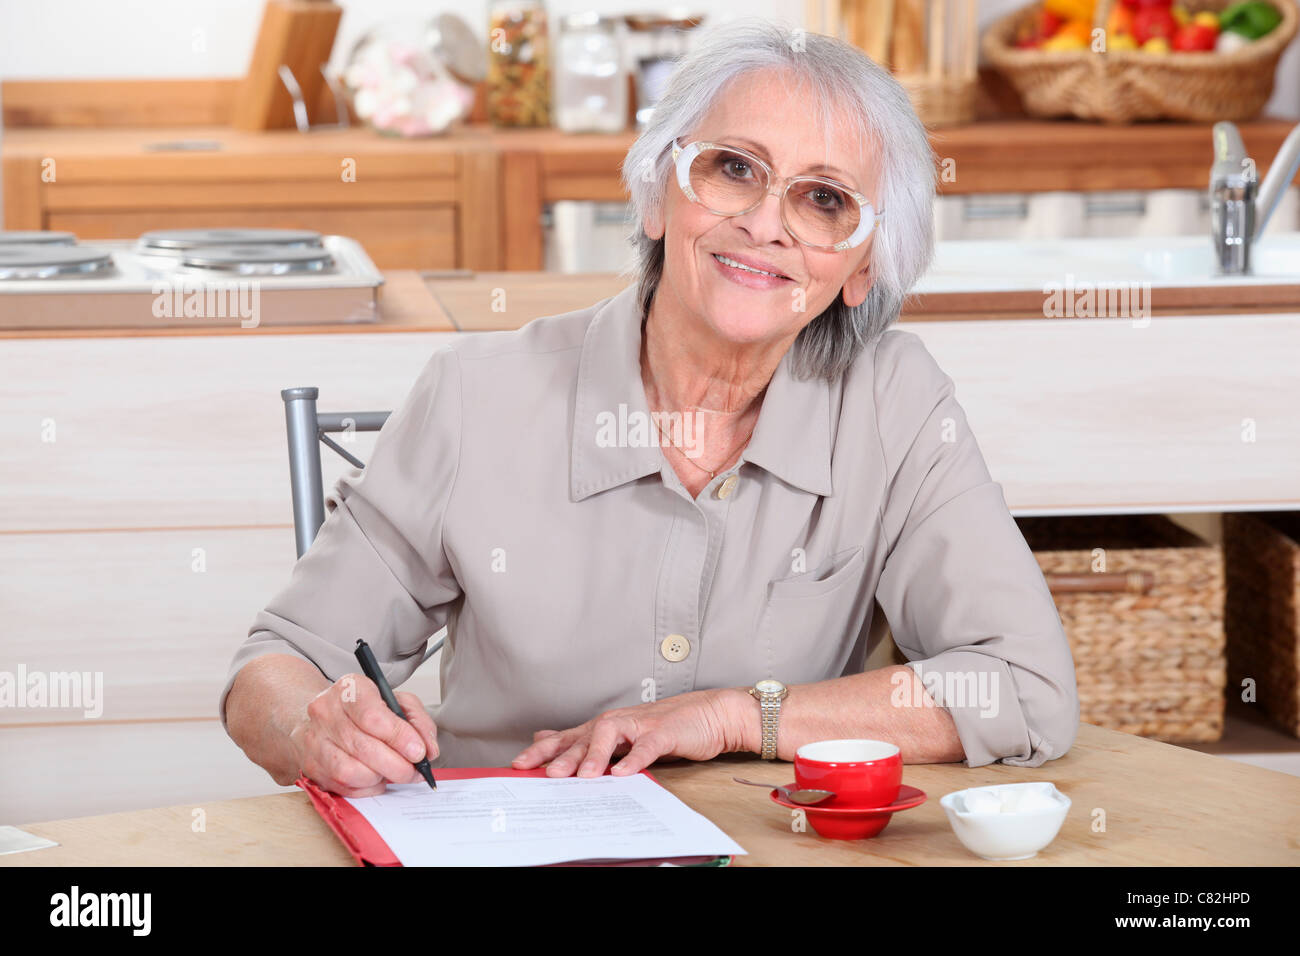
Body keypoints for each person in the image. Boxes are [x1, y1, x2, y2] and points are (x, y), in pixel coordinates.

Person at [220, 18, 1079, 797]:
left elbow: (1022, 686)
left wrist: (738, 716)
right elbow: (279, 664)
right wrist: (313, 727)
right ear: (655, 194)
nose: (766, 224)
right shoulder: (476, 394)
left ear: (862, 268)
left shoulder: (893, 401)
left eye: (825, 200)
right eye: (734, 169)